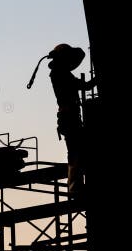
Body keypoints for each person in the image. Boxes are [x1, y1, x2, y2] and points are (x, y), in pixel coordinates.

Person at [28, 44, 96, 195]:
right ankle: (74, 186)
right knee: (75, 151)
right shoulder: (60, 74)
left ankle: (76, 185)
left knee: (77, 149)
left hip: (69, 117)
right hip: (69, 118)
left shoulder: (60, 73)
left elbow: (82, 85)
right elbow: (83, 86)